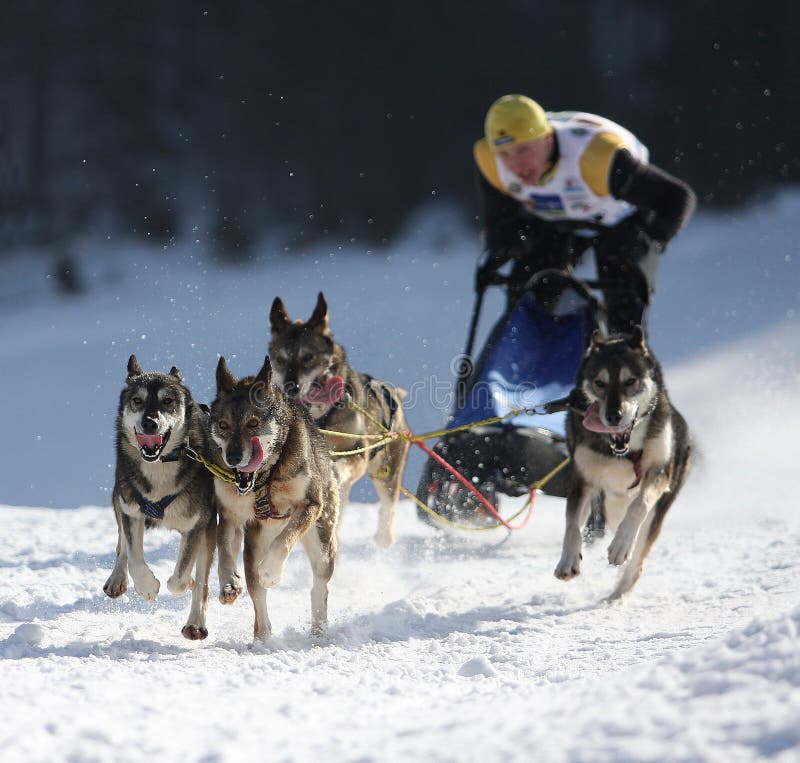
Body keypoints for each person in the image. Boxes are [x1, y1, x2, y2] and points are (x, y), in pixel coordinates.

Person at [473, 94, 696, 334]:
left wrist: (652, 240)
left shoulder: (597, 158)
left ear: (547, 140)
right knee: (526, 292)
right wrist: (501, 248)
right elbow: (500, 223)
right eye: (504, 154)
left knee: (623, 285)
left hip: (619, 219)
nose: (515, 165)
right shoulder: (491, 162)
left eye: (523, 150)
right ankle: (542, 349)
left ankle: (625, 354)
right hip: (553, 221)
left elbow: (678, 198)